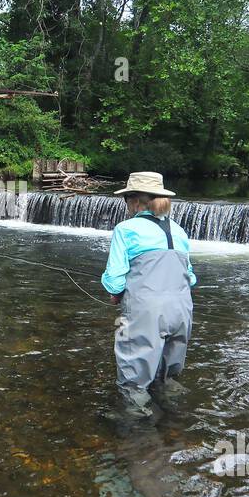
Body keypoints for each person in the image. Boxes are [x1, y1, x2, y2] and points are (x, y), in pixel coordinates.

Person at [101, 171, 197, 414]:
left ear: (133, 200)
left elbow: (114, 280)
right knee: (167, 378)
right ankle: (174, 421)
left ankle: (138, 435)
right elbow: (191, 277)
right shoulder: (179, 230)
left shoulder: (126, 229)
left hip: (145, 313)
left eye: (126, 200)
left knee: (133, 381)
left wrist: (115, 292)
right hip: (182, 311)